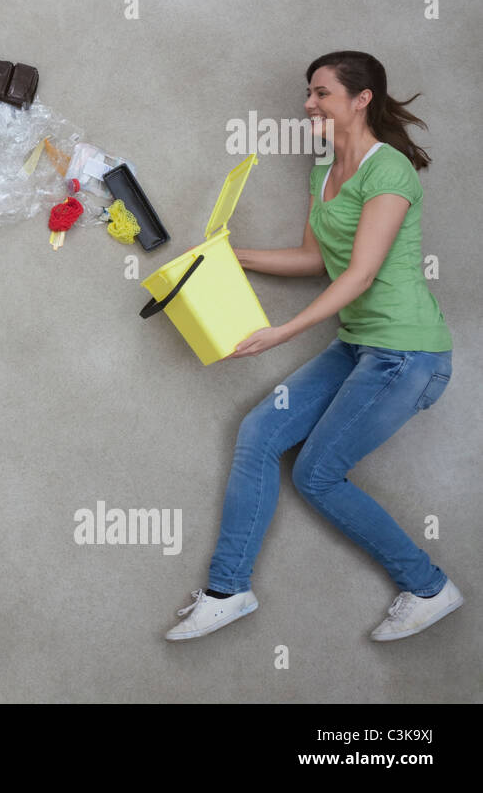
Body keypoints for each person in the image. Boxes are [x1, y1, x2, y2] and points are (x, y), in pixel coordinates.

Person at [166, 51, 460, 642]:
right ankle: (229, 591)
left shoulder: (390, 170)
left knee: (317, 475)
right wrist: (228, 255)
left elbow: (359, 275)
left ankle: (429, 588)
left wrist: (283, 332)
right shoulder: (323, 168)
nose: (308, 104)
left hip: (408, 356)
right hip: (357, 347)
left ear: (361, 98)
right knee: (258, 432)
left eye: (321, 93)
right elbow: (316, 260)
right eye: (309, 92)